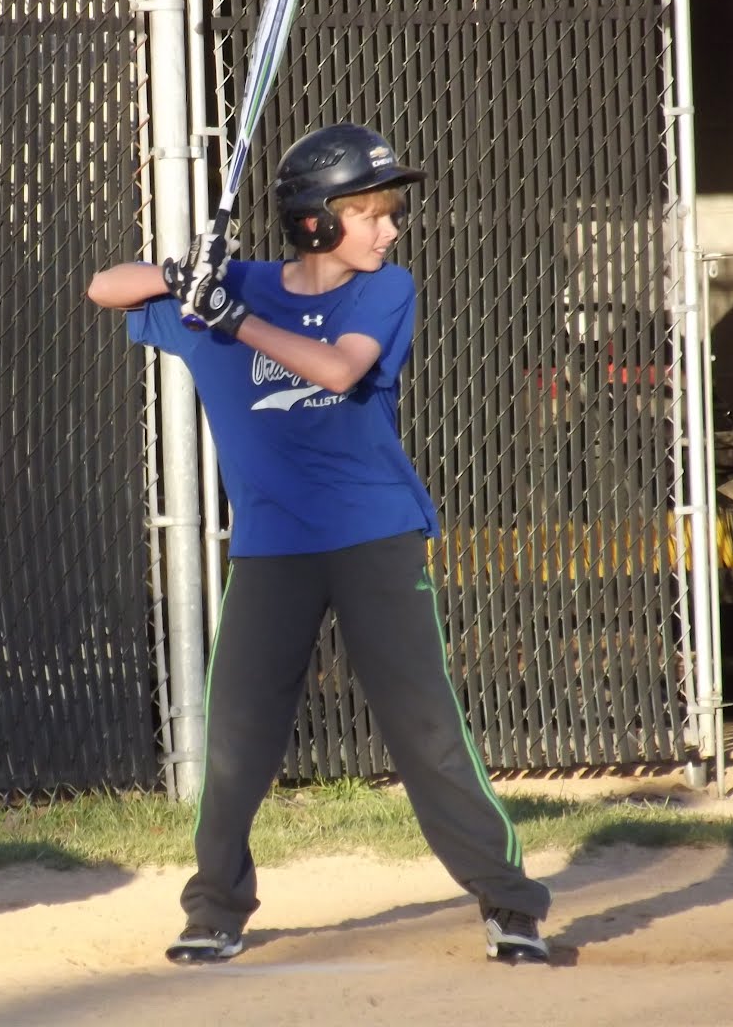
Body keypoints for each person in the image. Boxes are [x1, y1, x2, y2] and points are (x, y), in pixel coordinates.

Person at [86, 123, 552, 965]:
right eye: (369, 212)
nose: (389, 228)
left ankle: (509, 905)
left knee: (426, 732)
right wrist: (182, 276)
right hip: (271, 548)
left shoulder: (384, 289)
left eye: (389, 211)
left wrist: (235, 322)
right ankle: (216, 911)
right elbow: (102, 287)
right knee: (236, 741)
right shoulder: (233, 287)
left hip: (374, 535)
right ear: (314, 221)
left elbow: (339, 370)